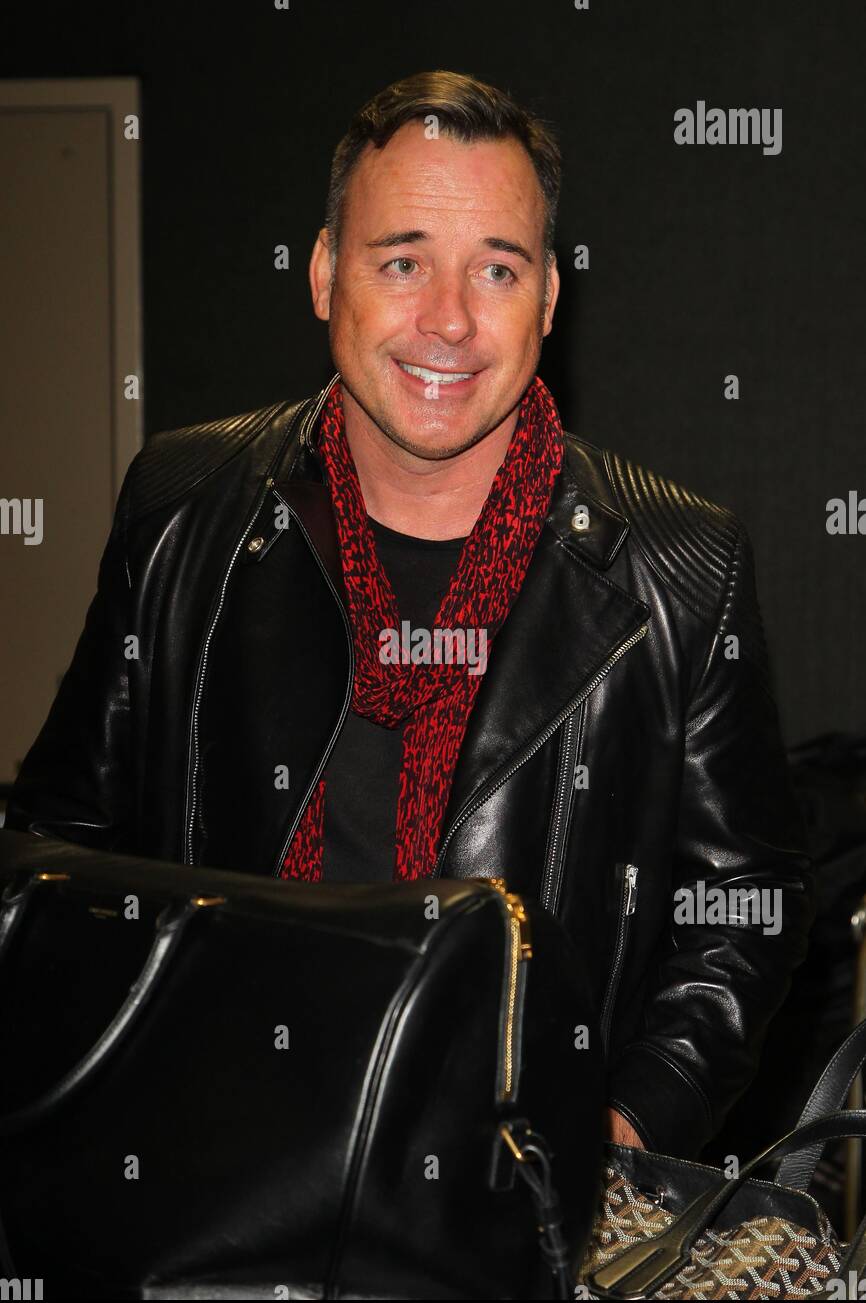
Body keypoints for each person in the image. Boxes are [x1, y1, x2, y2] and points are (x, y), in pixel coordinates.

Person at [4, 69, 814, 1161]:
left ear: (546, 301)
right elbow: (60, 847)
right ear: (326, 274)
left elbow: (743, 904)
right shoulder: (180, 504)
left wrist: (619, 1135)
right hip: (214, 1182)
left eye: (494, 268)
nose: (447, 320)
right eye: (401, 262)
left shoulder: (679, 564)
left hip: (516, 1206)